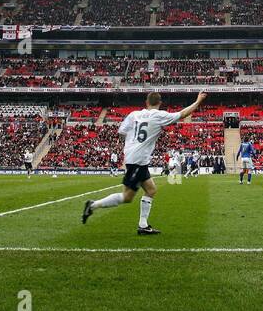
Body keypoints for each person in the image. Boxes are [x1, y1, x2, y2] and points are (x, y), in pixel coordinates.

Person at [81, 91, 206, 235]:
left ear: (146, 103)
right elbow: (182, 114)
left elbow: (122, 132)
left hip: (135, 157)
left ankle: (143, 225)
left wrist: (132, 143)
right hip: (138, 160)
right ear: (159, 103)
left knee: (151, 190)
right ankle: (93, 205)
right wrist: (198, 101)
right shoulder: (159, 116)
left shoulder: (134, 114)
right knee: (127, 197)